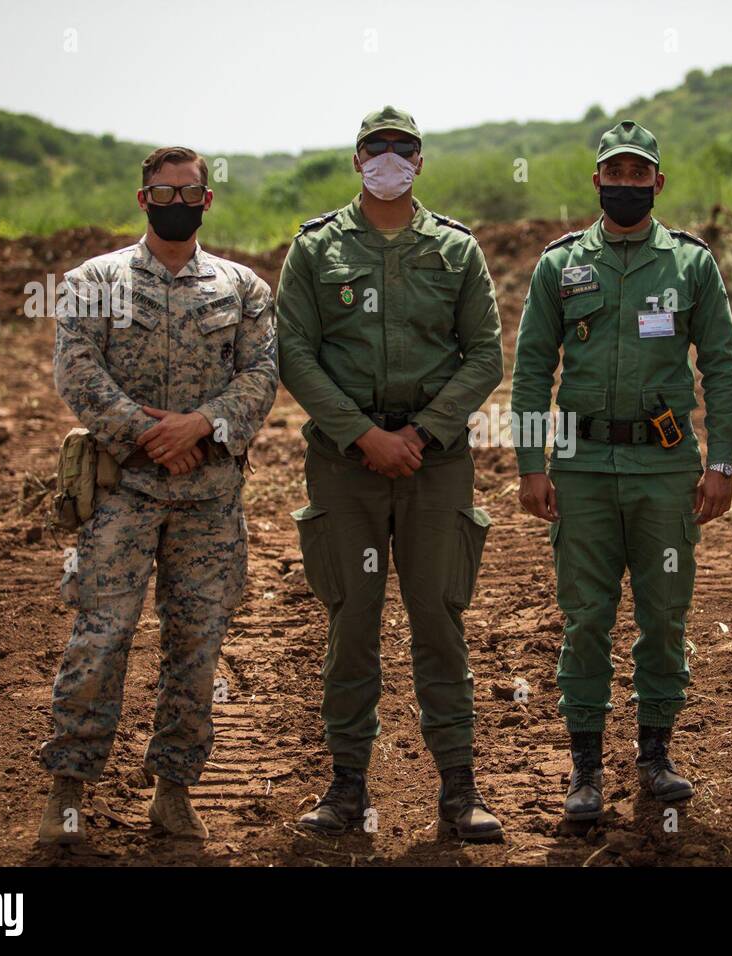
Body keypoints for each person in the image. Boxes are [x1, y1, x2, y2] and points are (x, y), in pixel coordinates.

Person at [276, 106, 505, 842]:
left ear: (420, 161)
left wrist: (424, 432)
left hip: (435, 466)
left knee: (439, 618)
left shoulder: (455, 249)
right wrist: (363, 436)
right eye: (376, 147)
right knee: (352, 622)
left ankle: (459, 790)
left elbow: (485, 355)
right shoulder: (315, 250)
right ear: (356, 160)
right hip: (347, 467)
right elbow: (295, 355)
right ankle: (346, 788)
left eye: (403, 148)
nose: (389, 158)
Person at [39, 146, 277, 843]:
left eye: (190, 192)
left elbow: (263, 375)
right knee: (100, 637)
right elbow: (76, 370)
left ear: (208, 199)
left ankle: (174, 788)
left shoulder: (242, 288)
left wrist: (201, 426)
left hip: (208, 497)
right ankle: (68, 788)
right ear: (144, 199)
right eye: (164, 192)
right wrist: (148, 434)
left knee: (196, 645)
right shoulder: (95, 280)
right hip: (122, 494)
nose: (178, 202)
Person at [511, 120, 732, 822]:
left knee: (664, 616)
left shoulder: (691, 265)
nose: (626, 185)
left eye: (639, 175)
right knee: (586, 619)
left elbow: (724, 368)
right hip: (580, 470)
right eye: (614, 173)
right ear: (598, 182)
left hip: (664, 468)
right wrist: (530, 463)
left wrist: (722, 462)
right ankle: (584, 768)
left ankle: (655, 754)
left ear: (658, 184)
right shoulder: (559, 265)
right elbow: (530, 370)